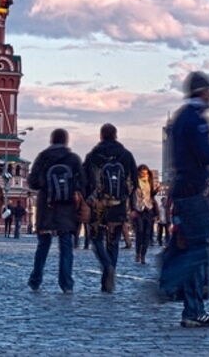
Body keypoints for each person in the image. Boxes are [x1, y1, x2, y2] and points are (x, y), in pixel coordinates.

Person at [158, 72, 209, 328]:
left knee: (189, 248)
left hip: (183, 189)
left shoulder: (182, 117)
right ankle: (169, 284)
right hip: (193, 192)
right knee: (198, 250)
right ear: (202, 92)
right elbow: (206, 154)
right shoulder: (196, 119)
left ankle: (192, 310)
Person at [27, 128, 84, 293]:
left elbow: (33, 182)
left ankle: (35, 279)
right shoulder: (73, 159)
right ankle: (66, 284)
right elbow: (83, 182)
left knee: (43, 245)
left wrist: (46, 186)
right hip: (67, 209)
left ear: (52, 140)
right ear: (66, 141)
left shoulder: (43, 157)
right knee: (66, 247)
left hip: (47, 207)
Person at [83, 123, 137, 293]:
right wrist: (129, 202)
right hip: (118, 205)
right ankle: (110, 274)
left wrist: (87, 199)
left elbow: (84, 180)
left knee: (96, 239)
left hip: (98, 205)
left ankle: (107, 266)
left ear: (101, 136)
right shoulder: (126, 155)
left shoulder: (93, 155)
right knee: (113, 243)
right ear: (116, 135)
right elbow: (134, 182)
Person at [132, 164, 159, 265]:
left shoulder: (150, 181)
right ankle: (137, 252)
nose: (144, 175)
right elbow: (130, 195)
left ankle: (143, 255)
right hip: (138, 209)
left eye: (146, 174)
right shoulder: (134, 182)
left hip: (148, 209)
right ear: (138, 173)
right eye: (142, 174)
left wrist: (155, 191)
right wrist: (131, 209)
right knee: (140, 231)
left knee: (147, 234)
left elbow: (150, 195)